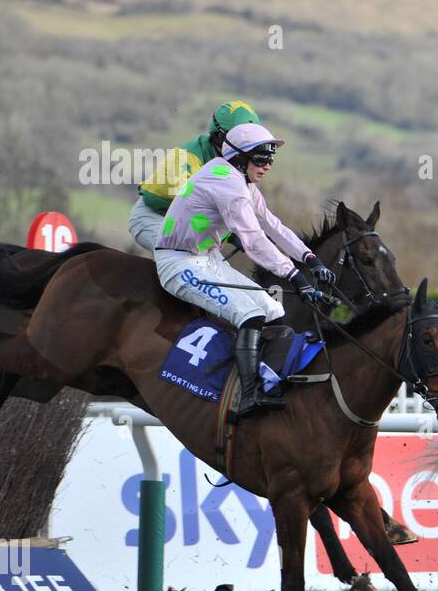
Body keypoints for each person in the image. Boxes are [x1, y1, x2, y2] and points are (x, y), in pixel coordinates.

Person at [153, 122, 337, 418]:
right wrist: (294, 276)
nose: (267, 167)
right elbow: (253, 240)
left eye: (271, 160)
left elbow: (273, 226)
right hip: (179, 263)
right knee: (250, 314)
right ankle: (247, 396)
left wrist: (310, 258)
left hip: (207, 259)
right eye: (262, 159)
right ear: (239, 157)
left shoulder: (241, 180)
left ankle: (267, 377)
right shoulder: (229, 185)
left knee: (274, 312)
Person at [130, 101, 261, 251]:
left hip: (186, 226)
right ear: (219, 137)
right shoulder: (188, 156)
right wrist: (232, 234)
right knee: (188, 259)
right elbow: (192, 206)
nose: (246, 149)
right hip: (152, 217)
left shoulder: (236, 163)